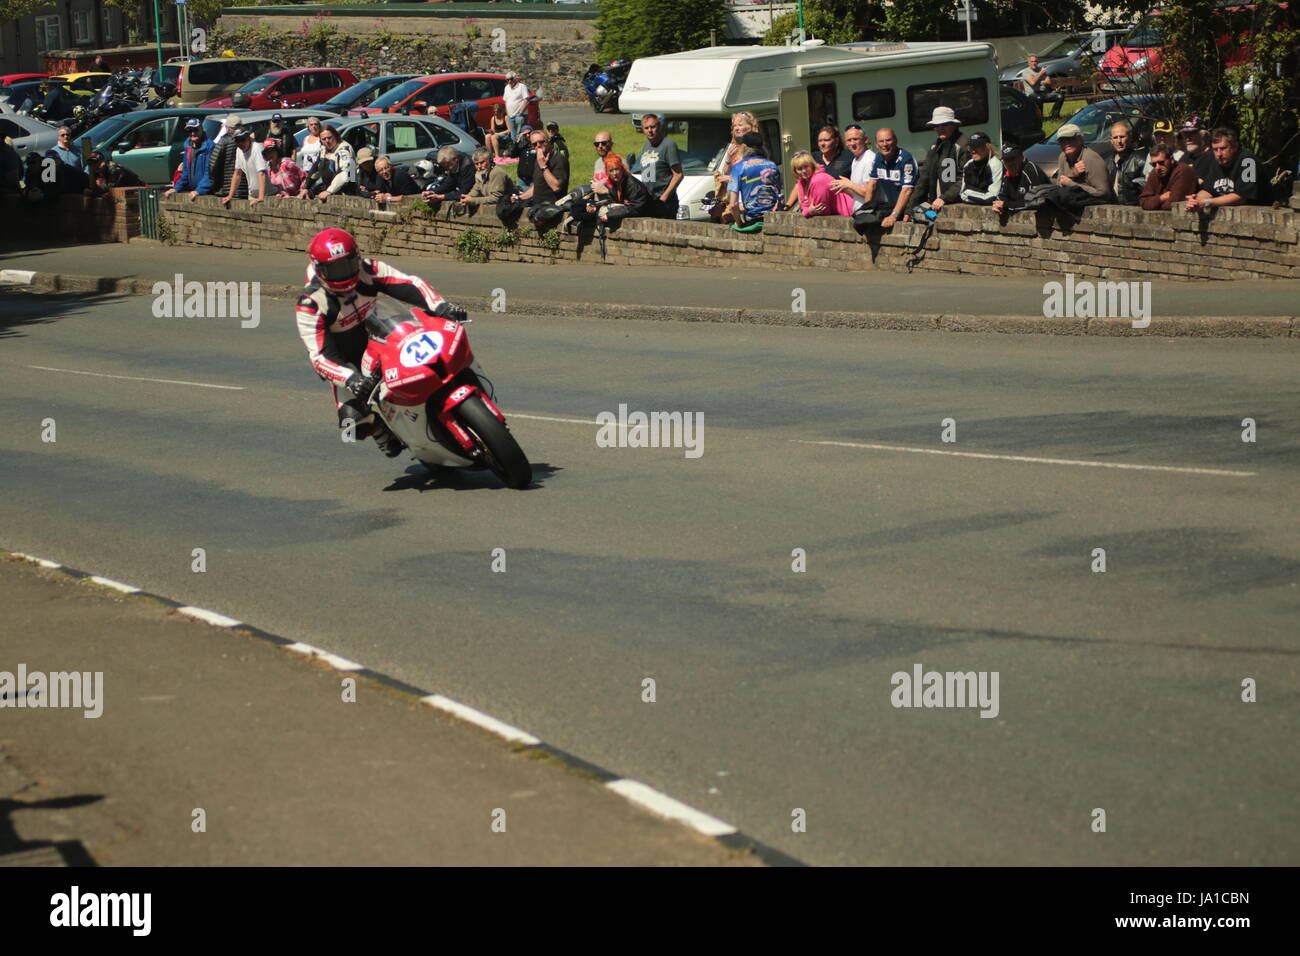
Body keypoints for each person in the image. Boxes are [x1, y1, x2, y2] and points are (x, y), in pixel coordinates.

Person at [296, 228, 465, 459]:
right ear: (318, 269)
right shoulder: (310, 304)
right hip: (346, 358)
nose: (343, 274)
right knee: (352, 423)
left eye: (348, 265)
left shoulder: (370, 269)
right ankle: (377, 427)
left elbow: (410, 284)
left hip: (382, 333)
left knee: (433, 355)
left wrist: (441, 306)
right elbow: (319, 357)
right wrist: (351, 379)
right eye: (333, 270)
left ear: (357, 257)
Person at [560, 151, 651, 228]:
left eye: (617, 169)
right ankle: (573, 220)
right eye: (611, 171)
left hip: (646, 216)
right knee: (580, 205)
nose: (615, 173)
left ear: (622, 169)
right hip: (623, 210)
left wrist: (610, 214)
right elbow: (611, 201)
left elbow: (633, 208)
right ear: (607, 172)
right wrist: (595, 206)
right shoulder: (614, 183)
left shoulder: (632, 185)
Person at [1184, 127, 1263, 213]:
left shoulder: (1248, 162)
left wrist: (1207, 202)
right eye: (1215, 149)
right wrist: (1196, 200)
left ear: (1235, 147)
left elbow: (1241, 197)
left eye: (1223, 148)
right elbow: (1208, 190)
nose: (1219, 154)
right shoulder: (1216, 163)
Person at [1042, 122, 1110, 217]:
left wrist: (1071, 184)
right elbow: (1060, 183)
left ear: (1080, 139)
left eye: (1070, 139)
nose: (1066, 143)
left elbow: (1103, 193)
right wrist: (1073, 174)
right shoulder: (1063, 156)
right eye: (1062, 141)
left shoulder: (1091, 159)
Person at [855, 127, 916, 229]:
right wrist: (865, 211)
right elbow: (872, 185)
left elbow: (907, 190)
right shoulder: (878, 158)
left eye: (888, 140)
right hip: (892, 206)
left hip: (909, 208)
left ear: (895, 141)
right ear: (876, 144)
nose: (885, 144)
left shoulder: (906, 158)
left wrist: (894, 215)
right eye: (881, 141)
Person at [912, 106, 969, 214]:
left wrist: (945, 197)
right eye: (937, 125)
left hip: (956, 205)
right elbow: (924, 179)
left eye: (945, 124)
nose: (940, 128)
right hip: (936, 204)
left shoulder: (963, 145)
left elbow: (965, 178)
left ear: (953, 125)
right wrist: (910, 209)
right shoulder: (935, 147)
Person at [632, 113, 683, 219]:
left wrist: (664, 197)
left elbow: (678, 175)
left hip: (665, 202)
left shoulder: (668, 145)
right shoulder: (646, 146)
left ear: (659, 127)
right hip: (650, 200)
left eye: (653, 127)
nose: (650, 130)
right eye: (646, 128)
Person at [707, 111, 757, 222]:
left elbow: (754, 177)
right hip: (733, 201)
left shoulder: (754, 149)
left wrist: (730, 179)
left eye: (740, 125)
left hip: (748, 201)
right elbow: (726, 172)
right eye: (734, 125)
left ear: (751, 126)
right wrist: (728, 160)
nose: (737, 128)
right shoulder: (732, 147)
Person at [725, 131, 782, 228]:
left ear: (745, 147)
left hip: (751, 220)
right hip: (773, 220)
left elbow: (733, 204)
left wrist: (739, 222)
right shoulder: (772, 165)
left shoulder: (738, 167)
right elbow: (778, 194)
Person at [518, 128, 569, 223]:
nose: (538, 146)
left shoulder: (559, 159)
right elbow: (537, 186)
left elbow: (556, 187)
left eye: (541, 142)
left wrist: (544, 167)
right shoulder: (539, 158)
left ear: (548, 141)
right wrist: (519, 198)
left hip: (552, 211)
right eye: (534, 144)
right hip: (538, 209)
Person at [786, 150, 852, 217]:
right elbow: (804, 205)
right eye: (799, 169)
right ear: (795, 171)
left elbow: (822, 210)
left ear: (812, 165)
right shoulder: (802, 181)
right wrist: (808, 210)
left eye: (806, 167)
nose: (804, 171)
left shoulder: (818, 180)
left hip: (848, 213)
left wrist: (807, 212)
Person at [828, 125, 877, 213]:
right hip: (858, 213)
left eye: (856, 139)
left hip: (869, 215)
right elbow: (858, 193)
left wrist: (849, 184)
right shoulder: (855, 160)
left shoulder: (869, 159)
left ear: (865, 139)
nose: (852, 143)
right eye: (849, 140)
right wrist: (844, 187)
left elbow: (868, 193)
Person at [302, 124, 356, 201]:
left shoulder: (345, 149)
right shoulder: (323, 149)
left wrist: (329, 191)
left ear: (336, 136)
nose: (327, 141)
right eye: (323, 139)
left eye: (329, 138)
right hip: (330, 188)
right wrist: (306, 188)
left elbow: (345, 173)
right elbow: (316, 169)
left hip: (347, 190)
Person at [992, 144, 1048, 216]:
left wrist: (1007, 205)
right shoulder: (1007, 174)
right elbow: (1002, 196)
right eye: (1006, 160)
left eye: (1013, 159)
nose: (1010, 163)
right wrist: (998, 205)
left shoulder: (1030, 170)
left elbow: (1036, 202)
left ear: (1022, 158)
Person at [164, 118, 213, 201]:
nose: (193, 133)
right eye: (190, 131)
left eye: (195, 130)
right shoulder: (188, 147)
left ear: (202, 129)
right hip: (194, 192)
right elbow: (186, 172)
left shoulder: (210, 147)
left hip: (208, 193)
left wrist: (199, 190)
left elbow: (209, 173)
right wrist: (176, 188)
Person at [1139, 144, 1197, 210]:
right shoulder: (1155, 172)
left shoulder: (1184, 171)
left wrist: (1153, 203)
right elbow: (1143, 202)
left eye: (1161, 163)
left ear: (1171, 159)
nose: (1157, 167)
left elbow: (1173, 205)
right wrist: (1161, 198)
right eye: (1154, 164)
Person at [223, 127, 269, 207]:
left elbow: (262, 173)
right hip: (252, 195)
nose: (240, 143)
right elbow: (237, 174)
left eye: (242, 139)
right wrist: (230, 196)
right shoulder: (238, 150)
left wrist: (261, 197)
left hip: (268, 195)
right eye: (237, 141)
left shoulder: (257, 148)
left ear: (248, 137)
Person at [1105, 121, 1148, 206]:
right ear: (1111, 140)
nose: (1119, 141)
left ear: (1130, 137)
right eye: (1115, 137)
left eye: (1122, 137)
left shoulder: (1141, 160)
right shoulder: (1107, 163)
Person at [458, 147, 514, 212]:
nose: (479, 166)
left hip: (508, 208)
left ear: (490, 161)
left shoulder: (497, 173)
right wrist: (466, 198)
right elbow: (476, 189)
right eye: (476, 164)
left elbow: (496, 198)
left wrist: (472, 200)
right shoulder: (479, 174)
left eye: (482, 162)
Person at [957, 131, 1002, 206]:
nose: (973, 150)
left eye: (977, 147)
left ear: (987, 147)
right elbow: (962, 194)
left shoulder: (995, 164)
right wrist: (976, 194)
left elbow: (993, 197)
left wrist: (969, 192)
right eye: (971, 147)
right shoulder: (968, 165)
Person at [208, 114, 244, 202]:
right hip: (247, 190)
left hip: (227, 190)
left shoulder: (224, 141)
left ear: (228, 127)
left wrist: (214, 184)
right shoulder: (248, 140)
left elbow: (213, 165)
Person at [1017, 54, 1064, 120]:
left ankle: (1054, 116)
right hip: (1032, 94)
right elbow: (1032, 82)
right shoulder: (1026, 72)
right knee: (1039, 98)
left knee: (1060, 96)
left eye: (1035, 61)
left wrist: (1040, 81)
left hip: (1044, 93)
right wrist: (1040, 75)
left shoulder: (1041, 69)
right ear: (1028, 63)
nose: (1034, 63)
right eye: (1032, 61)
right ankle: (1040, 118)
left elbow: (1049, 82)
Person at [503, 71, 530, 144]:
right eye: (507, 80)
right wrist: (508, 113)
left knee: (521, 135)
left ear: (515, 79)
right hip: (510, 116)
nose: (509, 81)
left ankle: (522, 150)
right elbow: (506, 101)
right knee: (513, 135)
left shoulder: (522, 86)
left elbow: (526, 100)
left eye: (510, 79)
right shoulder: (506, 88)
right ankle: (515, 151)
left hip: (520, 116)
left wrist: (520, 112)